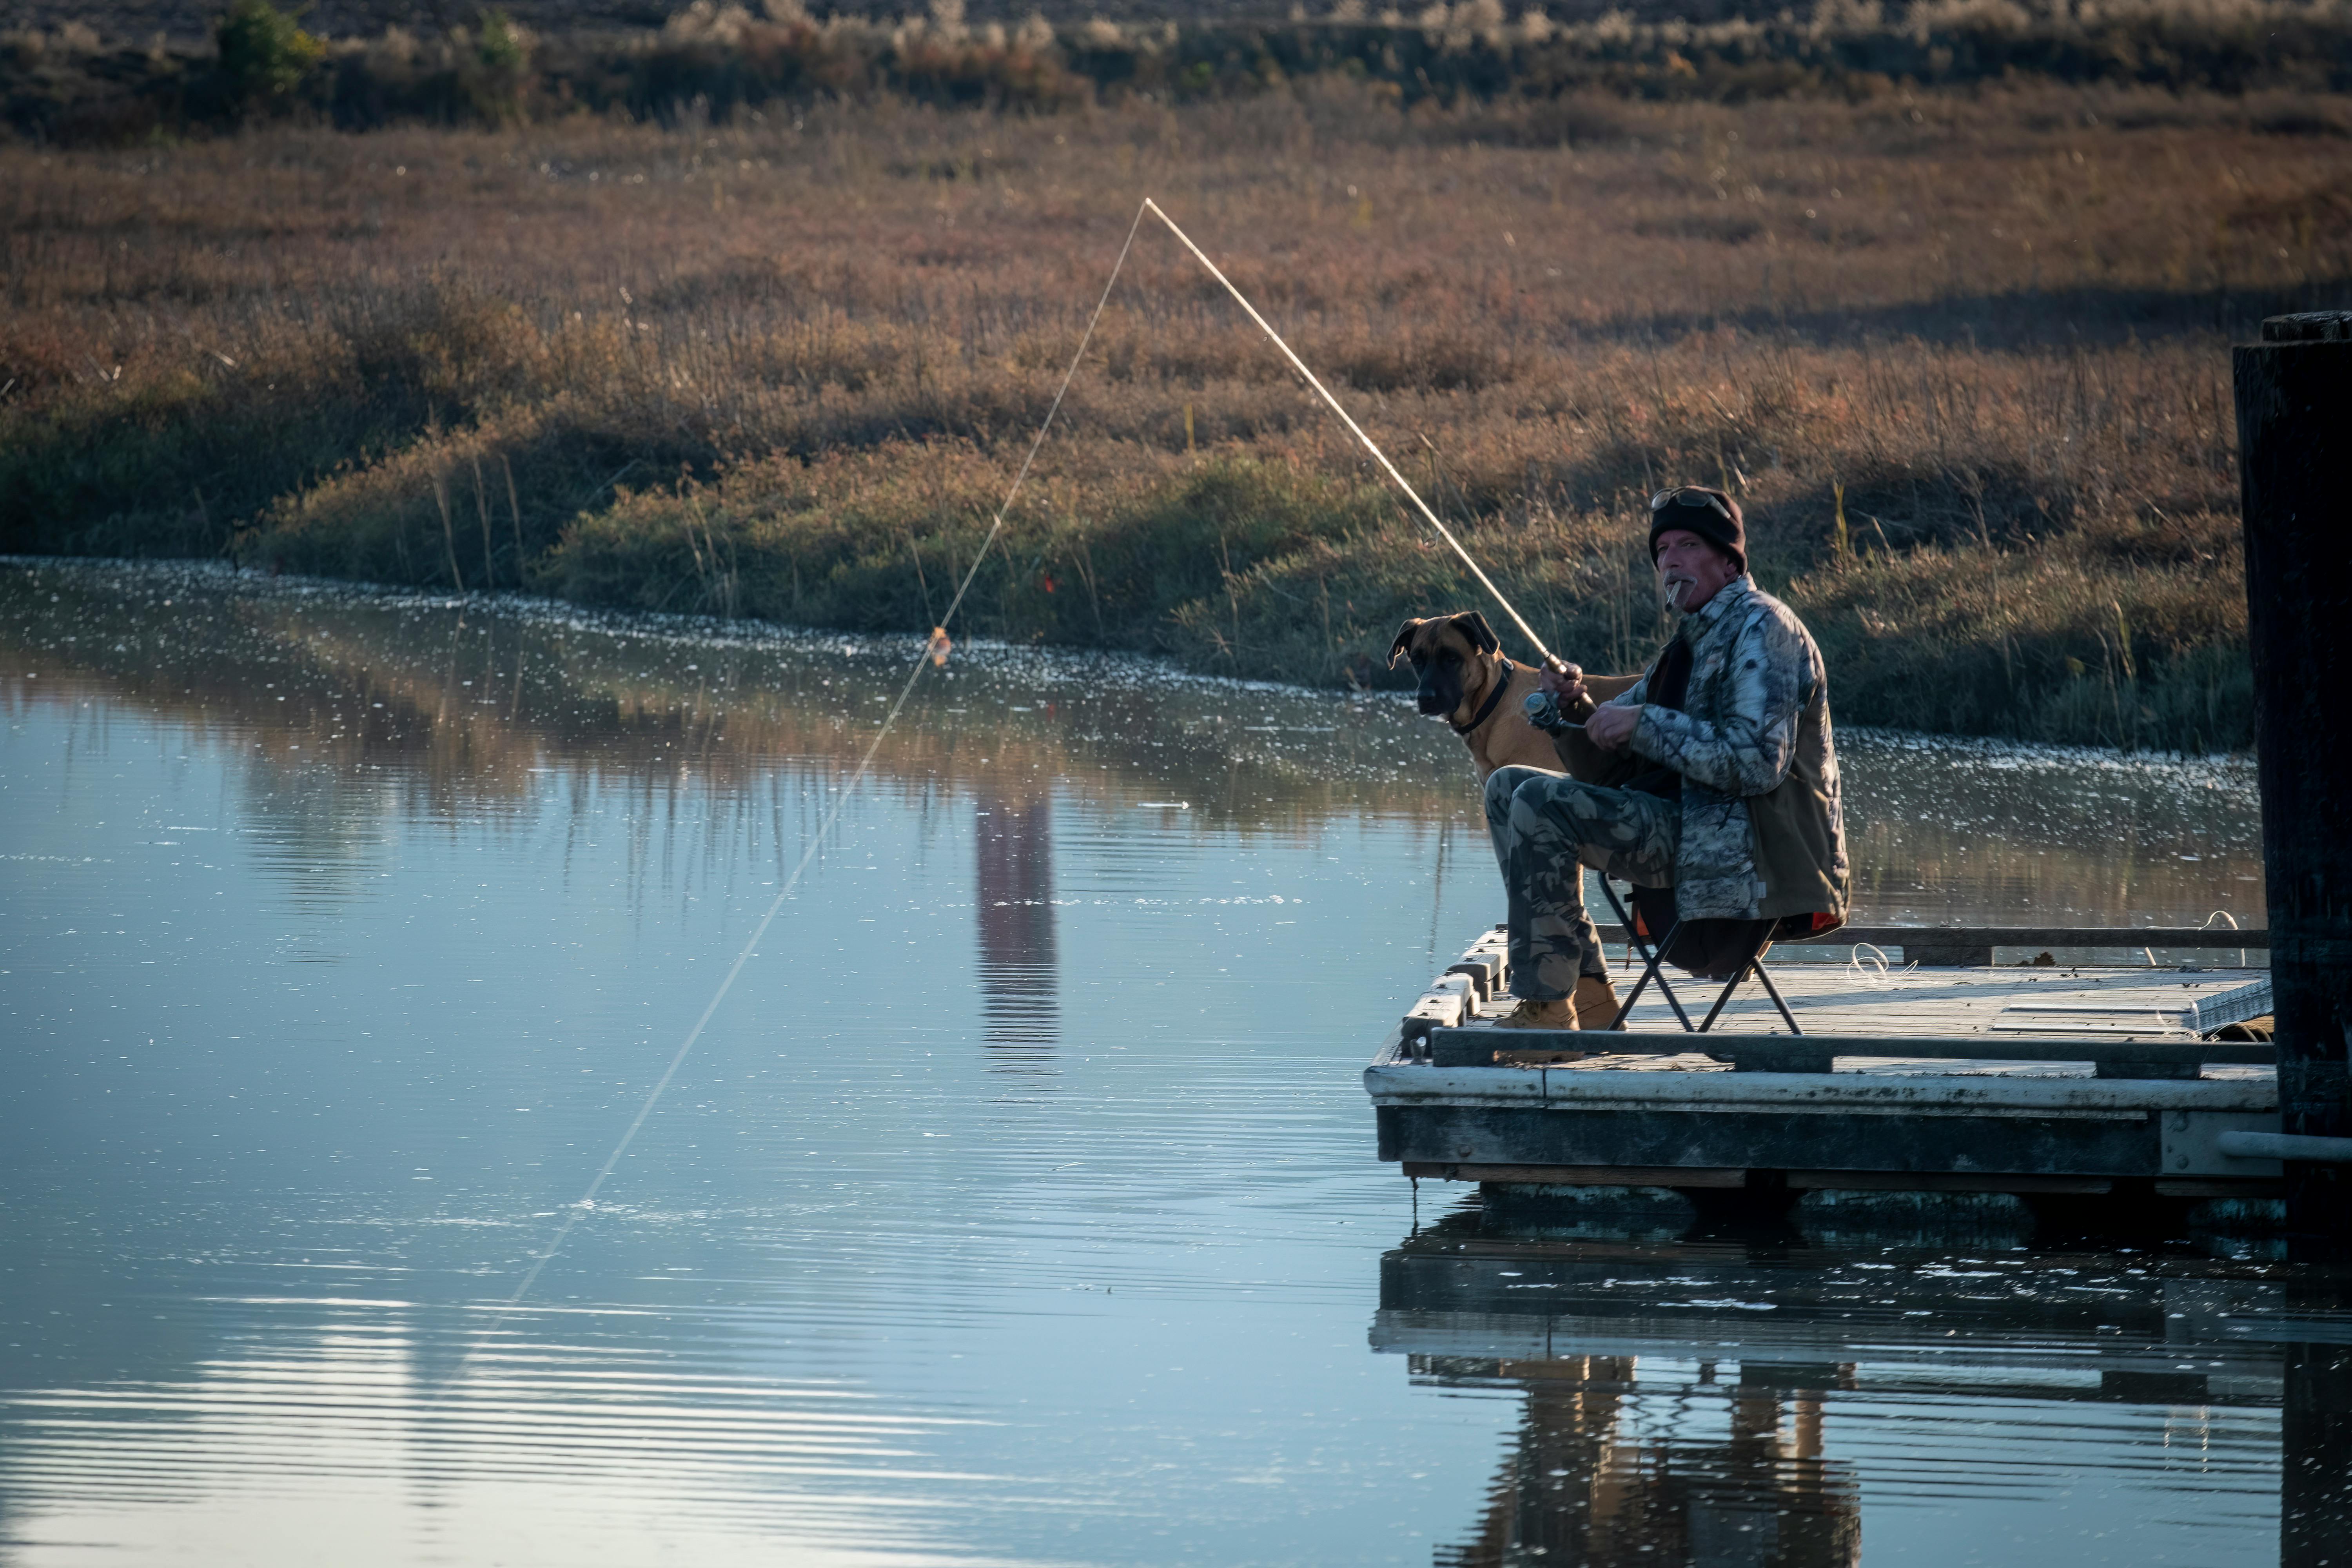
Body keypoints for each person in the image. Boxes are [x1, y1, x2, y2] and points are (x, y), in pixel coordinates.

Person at [1483, 486, 1849, 1029]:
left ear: (1730, 562)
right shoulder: (1690, 642)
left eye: (1688, 546)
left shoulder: (1764, 631)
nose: (1671, 561)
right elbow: (1614, 760)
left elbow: (1755, 763)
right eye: (1662, 551)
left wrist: (1643, 724)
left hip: (1747, 853)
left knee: (1540, 801)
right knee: (1509, 788)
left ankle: (1546, 1011)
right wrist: (1574, 709)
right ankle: (1585, 995)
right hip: (1689, 831)